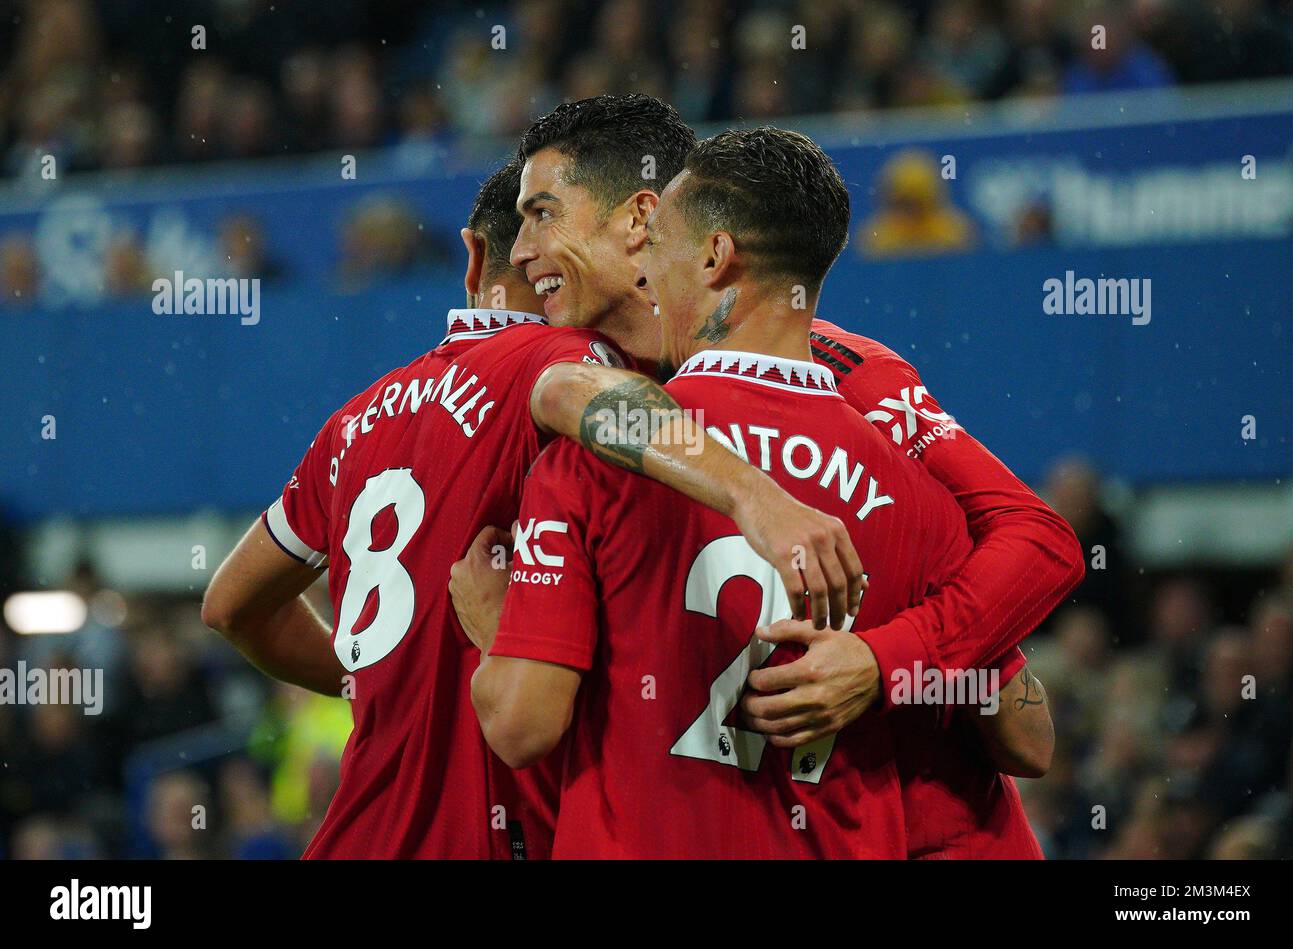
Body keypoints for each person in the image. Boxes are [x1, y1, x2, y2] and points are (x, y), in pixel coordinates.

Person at [201, 158, 864, 859]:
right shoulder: (566, 352)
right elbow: (577, 394)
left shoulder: (354, 421)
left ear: (470, 259)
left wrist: (374, 674)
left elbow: (229, 607)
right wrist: (756, 493)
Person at [503, 94, 1082, 857]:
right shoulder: (902, 487)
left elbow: (1039, 545)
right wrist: (753, 491)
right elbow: (1023, 725)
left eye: (543, 213)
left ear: (664, 231)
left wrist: (883, 663)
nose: (522, 250)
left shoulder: (859, 377)